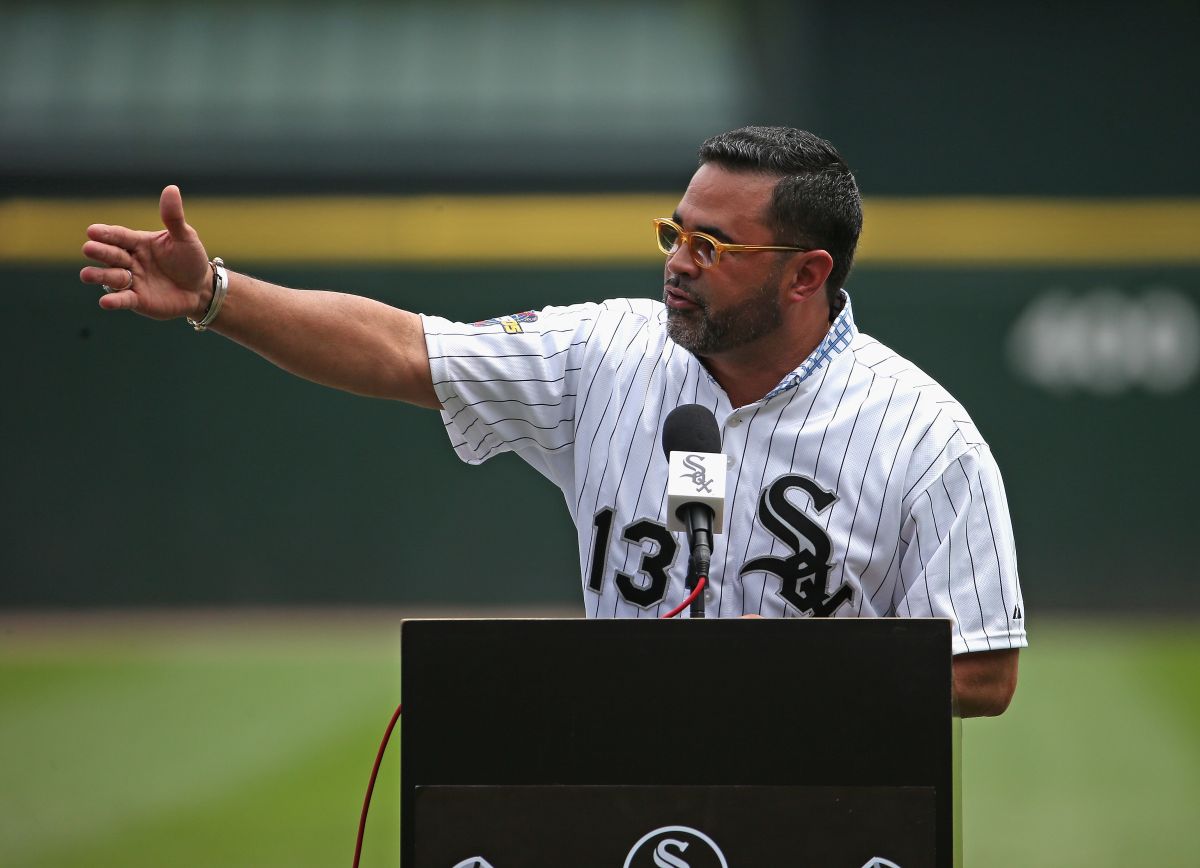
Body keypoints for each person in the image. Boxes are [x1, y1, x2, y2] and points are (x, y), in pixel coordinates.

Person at [80, 126, 1025, 716]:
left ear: (807, 273)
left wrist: (770, 689)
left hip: (830, 812)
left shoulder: (927, 437)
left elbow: (982, 673)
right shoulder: (604, 353)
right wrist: (215, 295)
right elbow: (408, 350)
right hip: (618, 791)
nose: (679, 261)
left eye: (712, 244)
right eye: (674, 233)